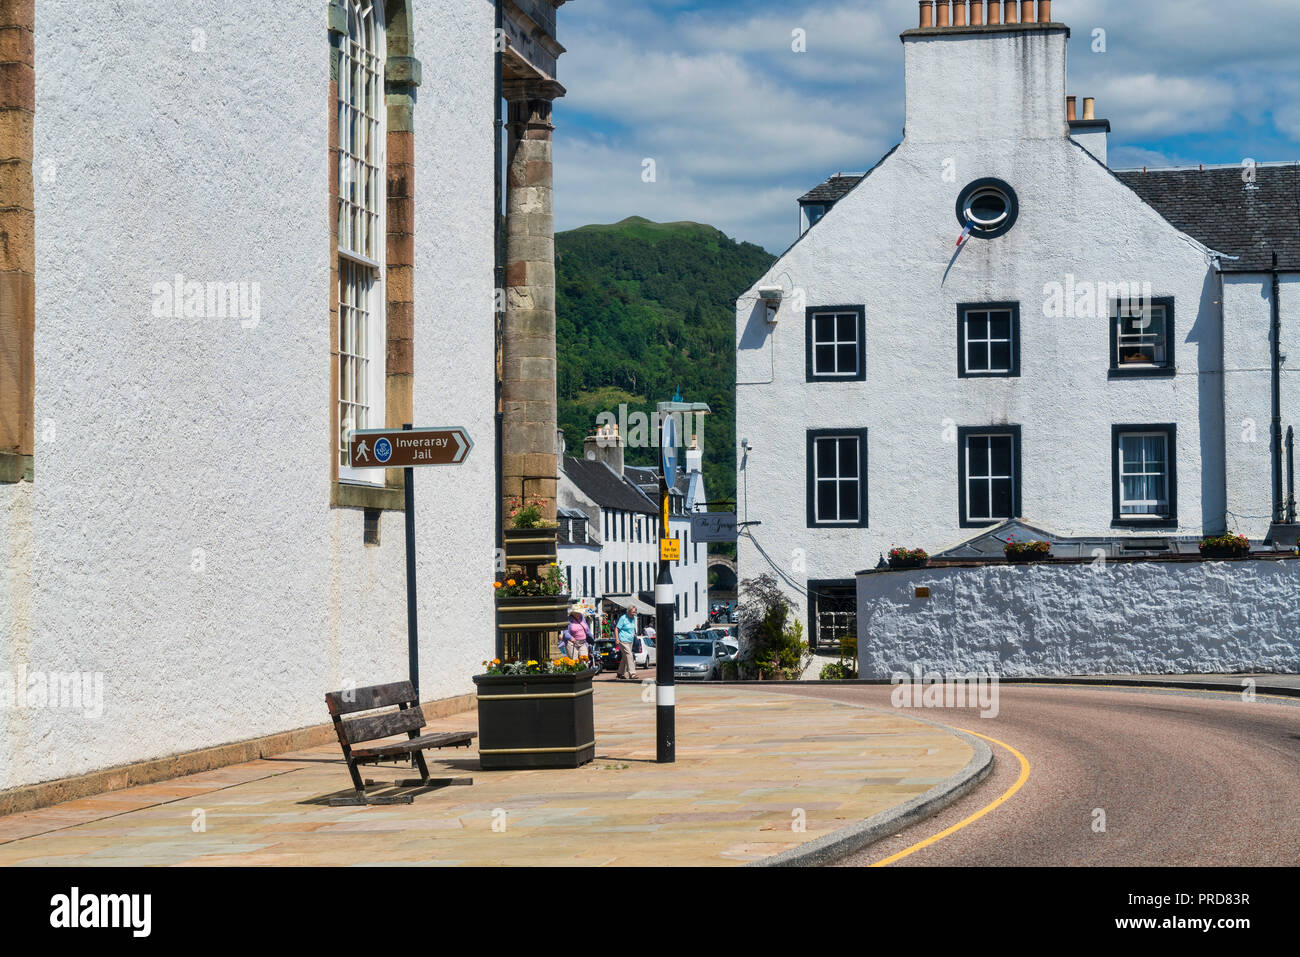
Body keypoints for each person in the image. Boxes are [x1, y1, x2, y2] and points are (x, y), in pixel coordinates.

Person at [616, 605, 638, 679]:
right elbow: (616, 629)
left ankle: (620, 672)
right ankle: (632, 673)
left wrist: (634, 634)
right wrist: (617, 639)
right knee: (629, 655)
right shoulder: (623, 618)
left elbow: (632, 628)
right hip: (623, 640)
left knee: (625, 657)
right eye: (633, 612)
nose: (634, 613)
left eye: (635, 612)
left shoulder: (634, 618)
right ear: (628, 611)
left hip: (630, 640)